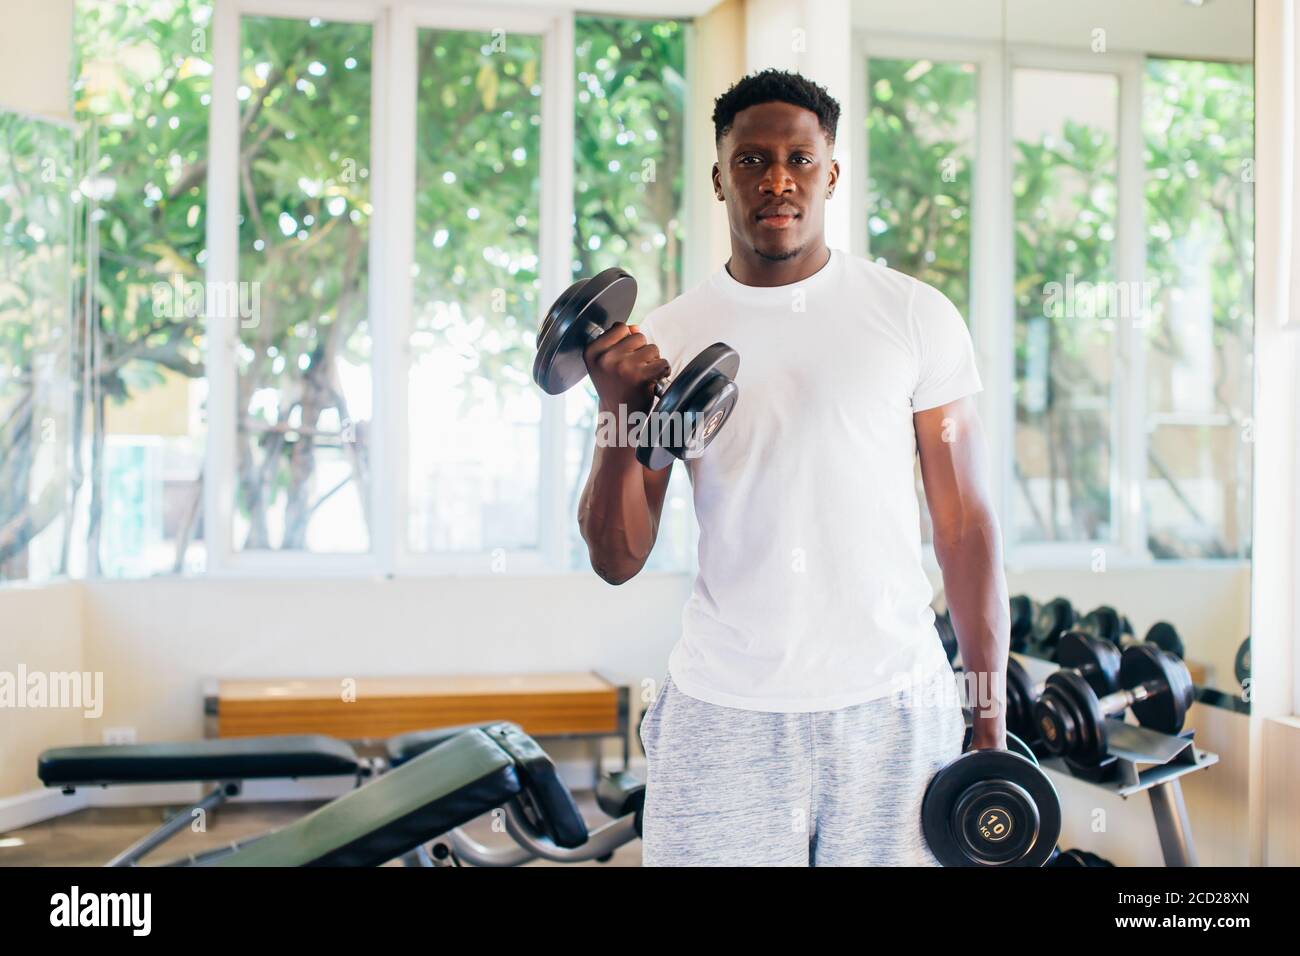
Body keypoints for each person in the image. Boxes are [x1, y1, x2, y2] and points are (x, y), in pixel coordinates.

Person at [576, 68, 1008, 866]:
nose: (777, 180)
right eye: (751, 161)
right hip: (724, 711)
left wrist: (988, 716)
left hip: (892, 709)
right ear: (718, 177)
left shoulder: (913, 316)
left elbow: (966, 524)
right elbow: (617, 558)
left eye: (800, 160)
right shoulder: (667, 337)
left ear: (831, 174)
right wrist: (615, 407)